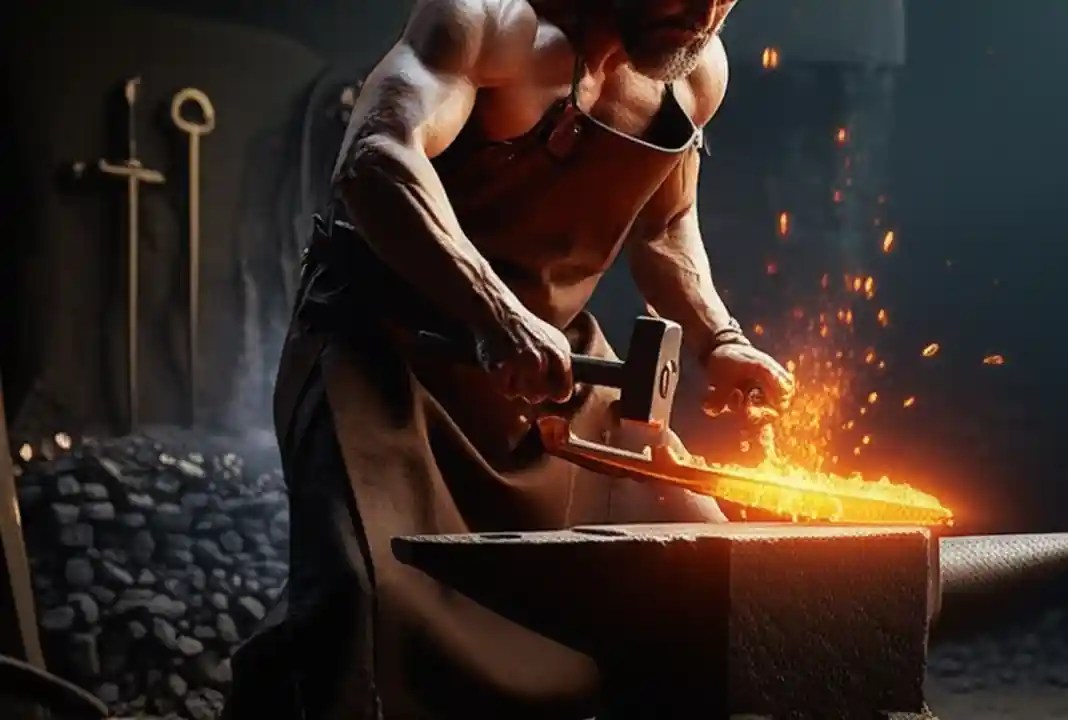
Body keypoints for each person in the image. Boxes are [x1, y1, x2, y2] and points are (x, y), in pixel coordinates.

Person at [224, 0, 794, 718]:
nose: (705, 10)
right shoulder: (488, 20)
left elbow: (667, 223)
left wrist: (722, 339)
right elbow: (376, 158)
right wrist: (497, 314)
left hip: (555, 372)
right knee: (365, 608)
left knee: (704, 567)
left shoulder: (694, 67)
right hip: (391, 354)